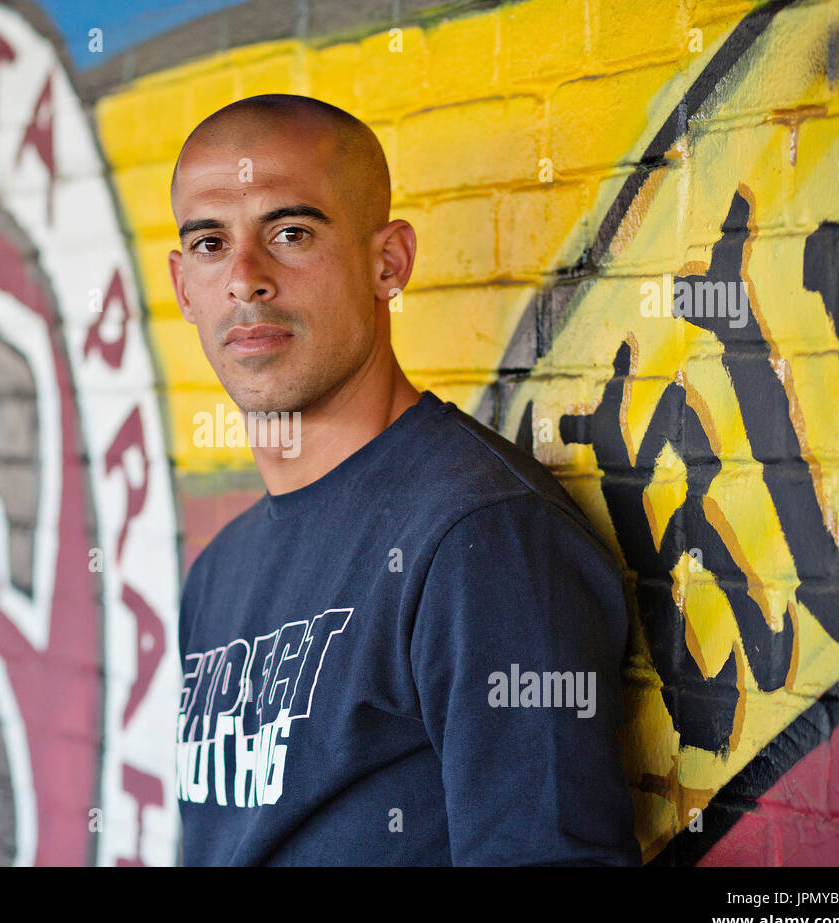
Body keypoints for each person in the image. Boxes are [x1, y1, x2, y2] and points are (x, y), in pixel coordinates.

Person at [167, 93, 640, 866]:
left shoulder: (481, 538)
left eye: (290, 233)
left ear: (388, 263)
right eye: (212, 244)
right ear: (184, 286)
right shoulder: (219, 573)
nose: (245, 279)